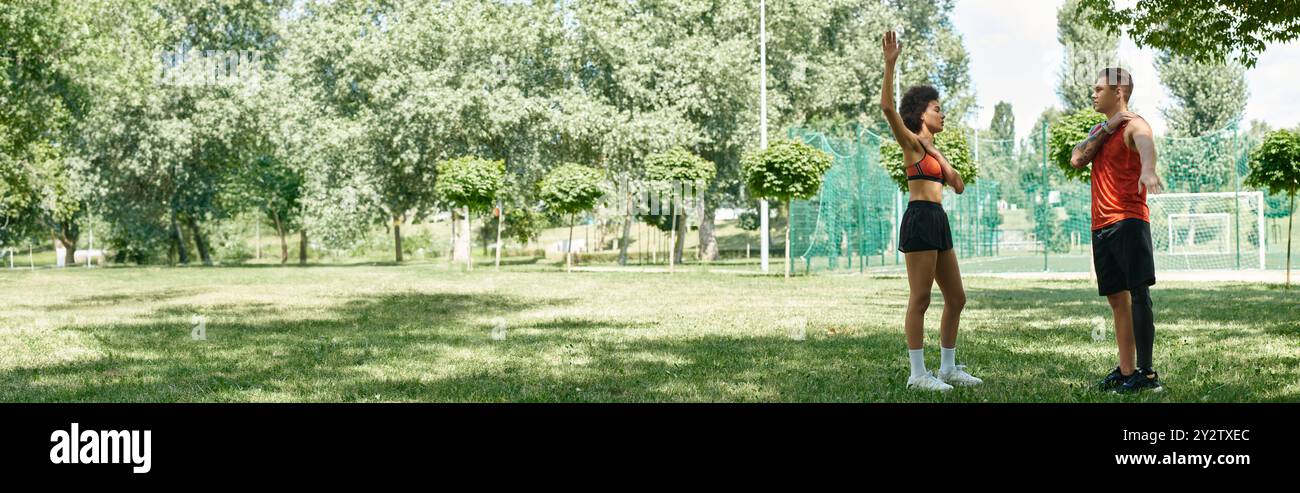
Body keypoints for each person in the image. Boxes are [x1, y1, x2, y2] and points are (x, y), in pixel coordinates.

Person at [880, 31, 980, 392]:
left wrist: (935, 151)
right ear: (921, 113)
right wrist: (890, 64)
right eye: (936, 107)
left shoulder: (933, 150)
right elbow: (887, 109)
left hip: (939, 220)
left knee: (956, 298)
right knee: (920, 297)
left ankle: (948, 368)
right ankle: (917, 374)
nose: (942, 112)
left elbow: (958, 184)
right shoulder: (909, 142)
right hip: (920, 217)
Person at [1070, 67, 1165, 393]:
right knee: (1115, 298)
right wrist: (1107, 127)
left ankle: (1148, 375)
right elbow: (1077, 159)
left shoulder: (1135, 123)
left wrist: (1148, 170)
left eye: (1099, 89)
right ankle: (1127, 371)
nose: (1093, 94)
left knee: (1138, 293)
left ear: (1118, 92)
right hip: (1102, 225)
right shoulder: (1102, 129)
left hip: (1128, 219)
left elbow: (1146, 143)